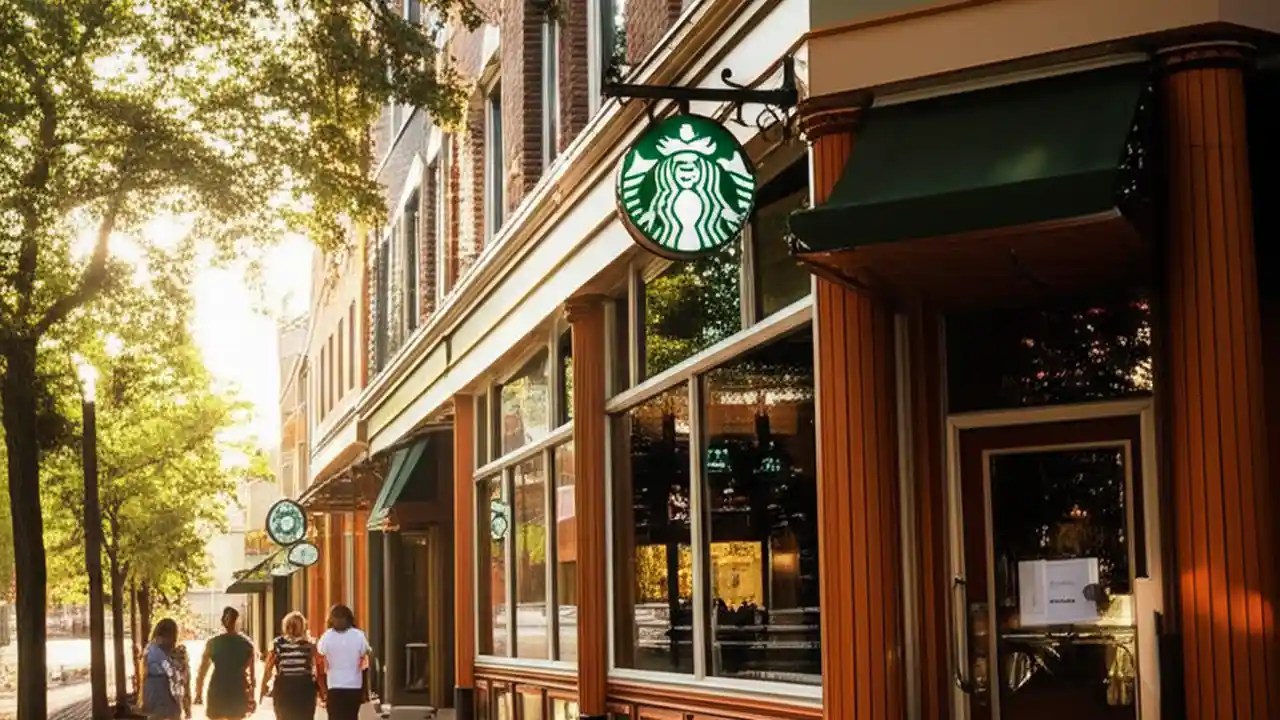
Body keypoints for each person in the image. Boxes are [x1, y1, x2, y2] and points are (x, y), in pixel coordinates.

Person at [194, 607, 257, 720]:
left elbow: (202, 670)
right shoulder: (247, 645)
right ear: (237, 621)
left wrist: (198, 692)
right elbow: (252, 677)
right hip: (237, 689)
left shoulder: (212, 643)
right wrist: (251, 696)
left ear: (222, 622)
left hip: (217, 688)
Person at [260, 611, 322, 720]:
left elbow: (268, 667)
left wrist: (263, 686)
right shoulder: (310, 644)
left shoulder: (277, 643)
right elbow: (318, 667)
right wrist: (322, 689)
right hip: (304, 687)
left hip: (284, 686)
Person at [316, 604, 371, 720]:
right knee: (351, 716)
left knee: (335, 716)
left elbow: (320, 652)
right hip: (354, 685)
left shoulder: (327, 636)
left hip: (334, 685)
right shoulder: (358, 635)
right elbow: (366, 653)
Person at [142, 619, 189, 720]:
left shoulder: (150, 648)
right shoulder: (160, 652)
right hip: (162, 692)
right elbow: (172, 673)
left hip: (152, 692)